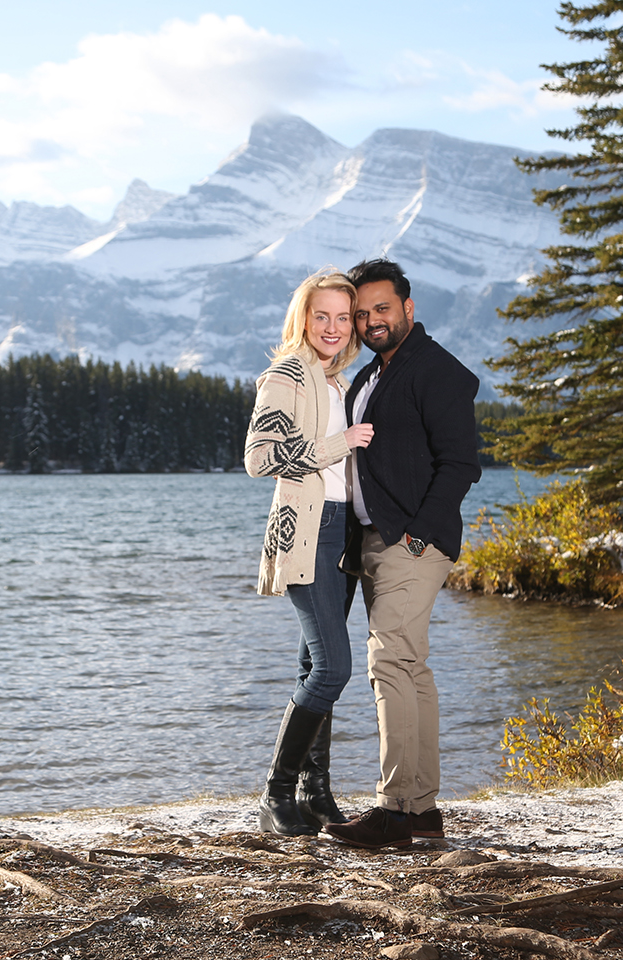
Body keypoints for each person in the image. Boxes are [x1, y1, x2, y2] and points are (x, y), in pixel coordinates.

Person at [324, 258, 481, 850]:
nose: (370, 321)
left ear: (408, 309)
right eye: (361, 313)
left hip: (412, 544)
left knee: (388, 662)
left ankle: (394, 810)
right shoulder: (372, 375)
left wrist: (416, 534)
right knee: (411, 669)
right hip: (374, 542)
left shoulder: (438, 371)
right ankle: (422, 813)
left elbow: (461, 464)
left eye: (380, 309)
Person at [245, 269, 375, 836]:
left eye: (342, 317)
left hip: (344, 531)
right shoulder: (287, 376)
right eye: (321, 315)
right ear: (303, 318)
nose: (332, 326)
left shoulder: (339, 383)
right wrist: (337, 444)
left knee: (311, 663)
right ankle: (277, 790)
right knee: (332, 667)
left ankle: (317, 794)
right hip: (308, 532)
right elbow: (259, 456)